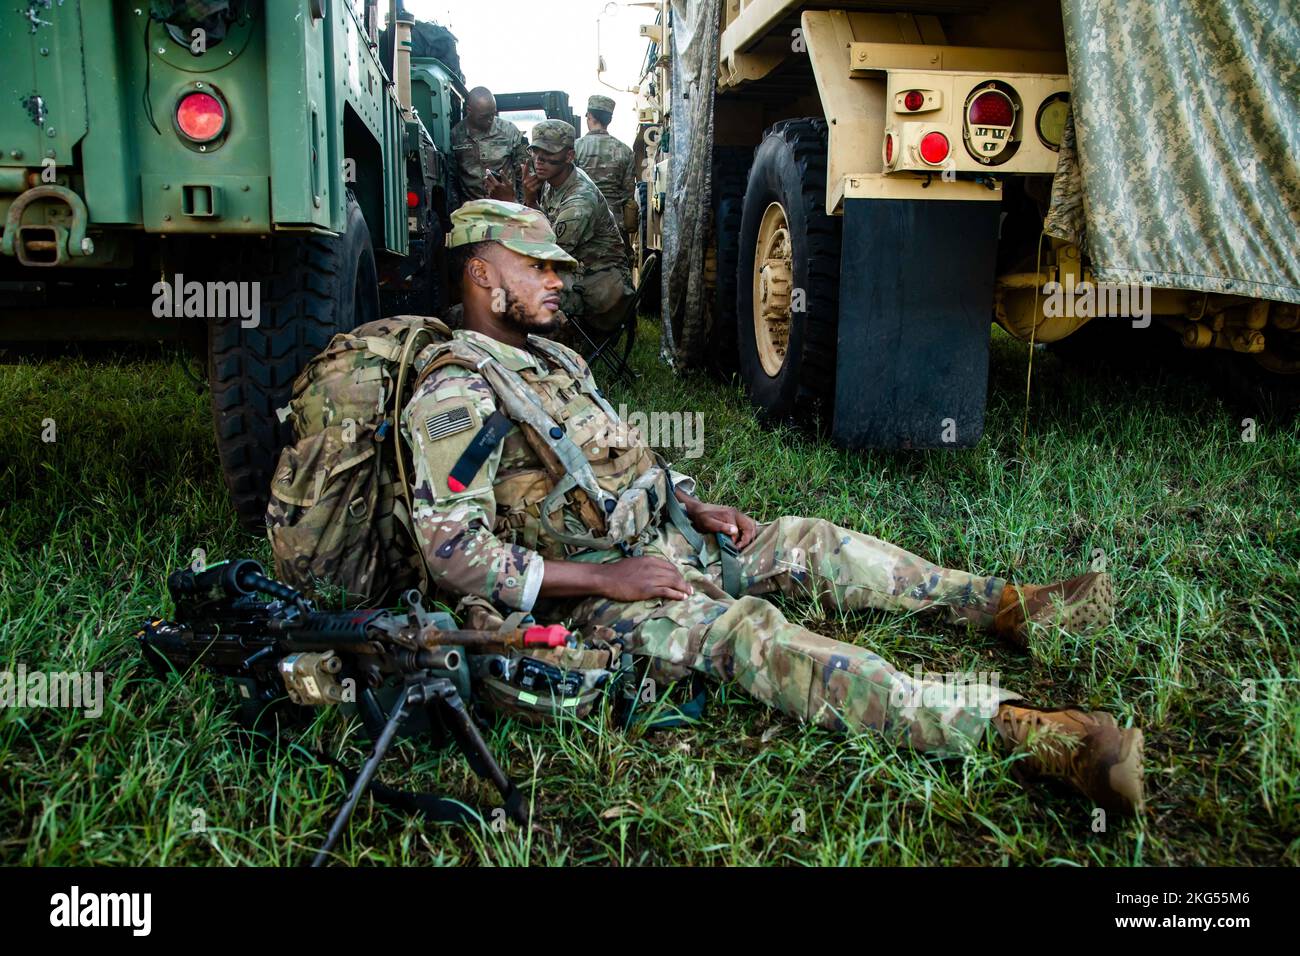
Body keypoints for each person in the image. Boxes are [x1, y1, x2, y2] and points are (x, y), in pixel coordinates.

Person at [399, 199, 1146, 817]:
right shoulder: (455, 392)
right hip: (600, 591)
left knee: (809, 541)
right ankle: (1028, 733)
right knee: (756, 636)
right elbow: (453, 552)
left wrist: (688, 501)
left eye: (560, 267)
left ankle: (1006, 606)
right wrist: (607, 582)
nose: (559, 281)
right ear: (479, 275)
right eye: (537, 267)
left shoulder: (552, 359)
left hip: (659, 539)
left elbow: (612, 454)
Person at [520, 119, 633, 335]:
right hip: (581, 272)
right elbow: (547, 229)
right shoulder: (554, 181)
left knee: (523, 290)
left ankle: (547, 349)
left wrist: (521, 208)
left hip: (602, 287)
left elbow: (550, 254)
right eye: (535, 153)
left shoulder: (580, 198)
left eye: (548, 154)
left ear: (569, 156)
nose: (539, 161)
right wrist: (531, 201)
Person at [449, 86, 529, 207]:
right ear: (469, 110)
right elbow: (452, 178)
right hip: (472, 212)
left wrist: (521, 207)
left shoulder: (509, 132)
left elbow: (523, 174)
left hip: (506, 208)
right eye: (485, 116)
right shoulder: (456, 135)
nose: (490, 119)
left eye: (493, 114)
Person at [575, 94, 638, 245]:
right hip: (615, 222)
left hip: (582, 219)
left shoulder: (576, 147)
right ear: (608, 120)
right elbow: (628, 192)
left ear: (590, 116)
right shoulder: (625, 150)